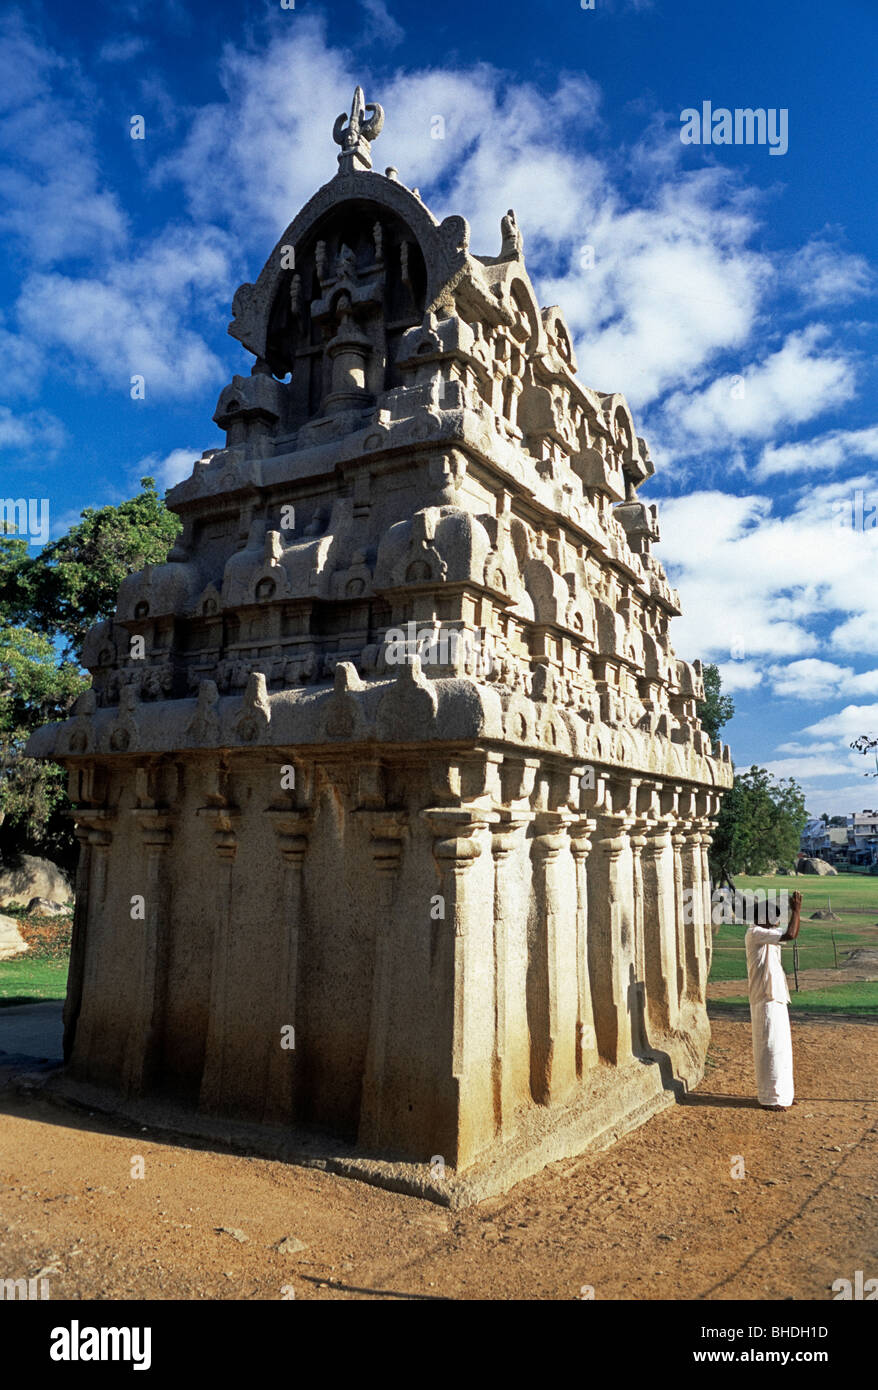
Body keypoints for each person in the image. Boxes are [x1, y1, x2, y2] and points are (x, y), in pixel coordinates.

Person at [744, 890, 802, 1110]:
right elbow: (790, 934)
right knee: (769, 1048)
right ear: (761, 918)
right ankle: (771, 1097)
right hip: (764, 997)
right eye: (773, 916)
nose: (777, 920)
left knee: (782, 1048)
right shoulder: (755, 933)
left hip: (776, 996)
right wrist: (796, 910)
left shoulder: (767, 932)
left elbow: (789, 932)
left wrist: (793, 914)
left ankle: (784, 1095)